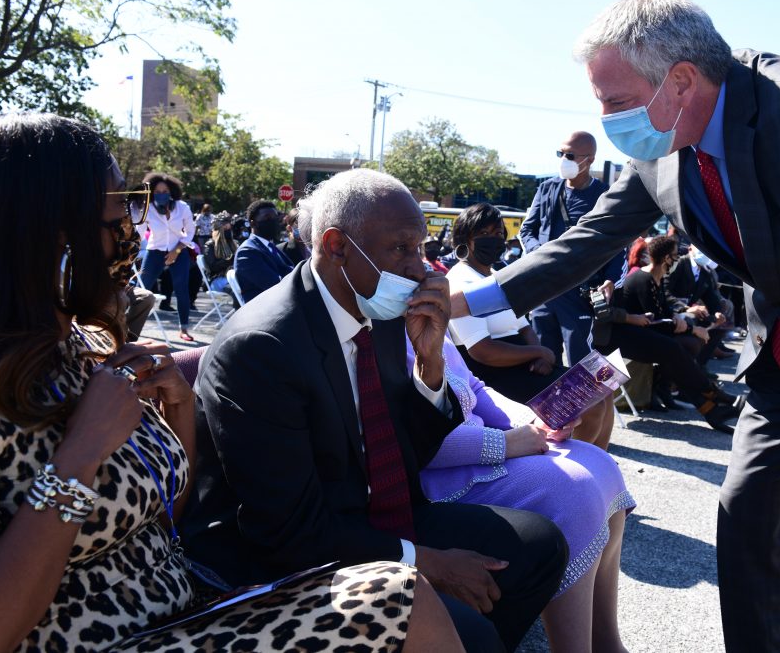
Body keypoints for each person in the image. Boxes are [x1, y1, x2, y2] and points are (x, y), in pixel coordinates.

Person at [450, 0, 780, 652]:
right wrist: (464, 302)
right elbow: (583, 244)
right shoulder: (661, 144)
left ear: (682, 81)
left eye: (613, 99)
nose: (604, 117)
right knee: (748, 509)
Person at [0, 112, 462, 653]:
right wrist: (79, 456)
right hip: (98, 641)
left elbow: (161, 517)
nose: (135, 226)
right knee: (396, 597)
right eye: (119, 206)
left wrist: (177, 415)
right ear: (45, 233)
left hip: (185, 609)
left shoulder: (87, 348)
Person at [181, 169, 568, 653]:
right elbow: (285, 531)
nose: (420, 267)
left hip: (369, 518)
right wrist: (423, 562)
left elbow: (407, 454)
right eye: (402, 249)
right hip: (281, 555)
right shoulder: (262, 347)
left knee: (538, 547)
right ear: (337, 245)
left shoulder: (377, 312)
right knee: (470, 630)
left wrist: (430, 370)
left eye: (422, 248)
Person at [414, 336, 634, 653]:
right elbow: (410, 436)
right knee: (574, 489)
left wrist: (533, 421)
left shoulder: (427, 311)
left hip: (479, 446)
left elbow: (474, 388)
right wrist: (505, 443)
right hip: (438, 475)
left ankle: (606, 642)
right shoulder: (387, 325)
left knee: (601, 464)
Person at [447, 203, 615, 450]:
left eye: (498, 233)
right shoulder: (459, 281)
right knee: (587, 402)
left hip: (523, 363)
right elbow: (481, 351)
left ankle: (601, 465)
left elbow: (524, 328)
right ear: (465, 239)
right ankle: (576, 471)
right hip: (493, 372)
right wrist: (538, 352)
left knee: (604, 385)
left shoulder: (496, 277)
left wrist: (542, 357)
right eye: (484, 234)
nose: (494, 240)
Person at [595, 236, 742, 432]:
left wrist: (680, 317)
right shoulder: (641, 278)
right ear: (666, 258)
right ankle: (711, 395)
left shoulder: (657, 277)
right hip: (616, 334)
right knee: (673, 348)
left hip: (636, 330)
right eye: (675, 255)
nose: (677, 258)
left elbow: (661, 312)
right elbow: (651, 319)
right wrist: (690, 328)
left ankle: (710, 407)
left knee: (674, 350)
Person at [520, 132, 624, 367]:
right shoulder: (547, 188)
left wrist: (611, 280)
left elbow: (617, 244)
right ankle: (546, 405)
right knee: (543, 359)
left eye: (570, 155)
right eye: (561, 153)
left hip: (578, 291)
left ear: (589, 160)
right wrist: (541, 255)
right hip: (543, 289)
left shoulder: (604, 196)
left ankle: (584, 405)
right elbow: (526, 231)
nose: (563, 160)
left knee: (581, 362)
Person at [136, 172, 197, 342]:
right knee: (141, 287)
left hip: (179, 250)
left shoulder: (182, 207)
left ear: (172, 192)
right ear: (151, 192)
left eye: (165, 190)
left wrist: (176, 250)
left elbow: (190, 231)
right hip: (155, 250)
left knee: (181, 288)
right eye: (157, 191)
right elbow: (139, 233)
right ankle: (128, 325)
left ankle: (184, 328)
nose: (161, 194)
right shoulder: (147, 208)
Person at [232, 199, 294, 302]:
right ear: (253, 224)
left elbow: (290, 271)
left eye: (276, 218)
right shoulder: (247, 252)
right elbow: (275, 285)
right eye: (267, 218)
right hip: (265, 310)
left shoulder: (270, 246)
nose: (273, 221)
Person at [201, 214, 238, 305]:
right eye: (225, 229)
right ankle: (239, 315)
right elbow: (213, 267)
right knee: (238, 290)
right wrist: (230, 260)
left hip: (233, 278)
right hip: (217, 280)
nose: (228, 232)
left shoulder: (233, 244)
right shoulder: (210, 245)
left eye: (229, 229)